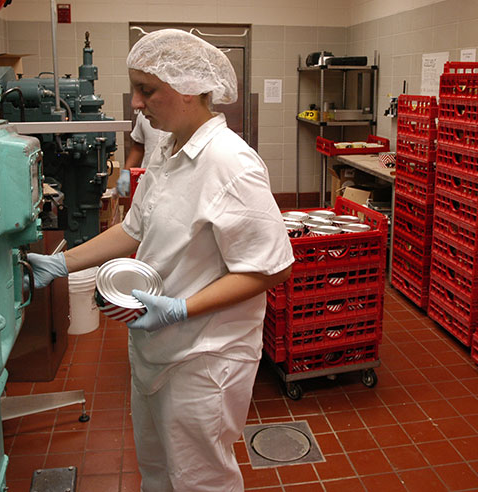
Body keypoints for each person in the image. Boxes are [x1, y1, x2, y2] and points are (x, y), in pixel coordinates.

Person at [27, 28, 294, 492]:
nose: (135, 103)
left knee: (199, 479)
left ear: (189, 89)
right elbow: (134, 230)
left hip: (205, 355)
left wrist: (179, 308)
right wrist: (60, 264)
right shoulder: (170, 151)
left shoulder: (231, 164)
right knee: (156, 470)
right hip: (157, 347)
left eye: (147, 90)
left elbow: (270, 268)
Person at [117, 111, 169, 197]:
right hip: (147, 181)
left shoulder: (184, 116)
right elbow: (139, 146)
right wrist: (126, 172)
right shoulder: (144, 114)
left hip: (174, 182)